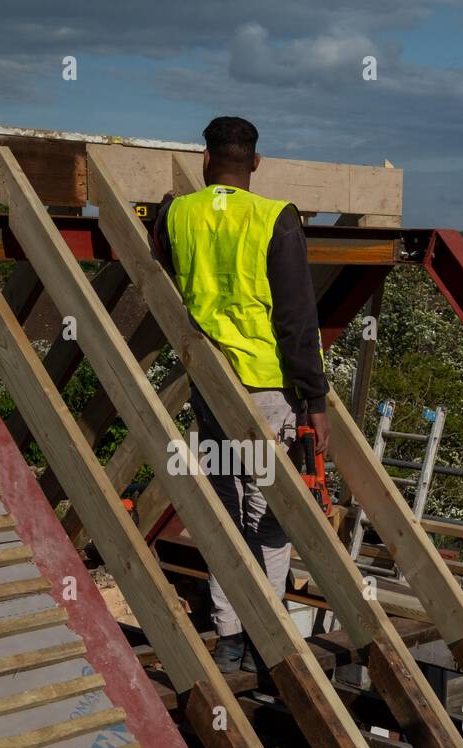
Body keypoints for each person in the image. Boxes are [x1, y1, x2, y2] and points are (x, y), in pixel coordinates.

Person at [152, 116, 330, 673]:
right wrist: (315, 399)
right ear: (256, 162)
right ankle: (266, 629)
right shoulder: (275, 218)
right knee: (271, 512)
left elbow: (160, 253)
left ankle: (231, 636)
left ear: (206, 159)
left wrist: (162, 207)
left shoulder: (177, 213)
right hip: (267, 387)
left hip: (212, 385)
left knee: (229, 506)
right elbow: (298, 320)